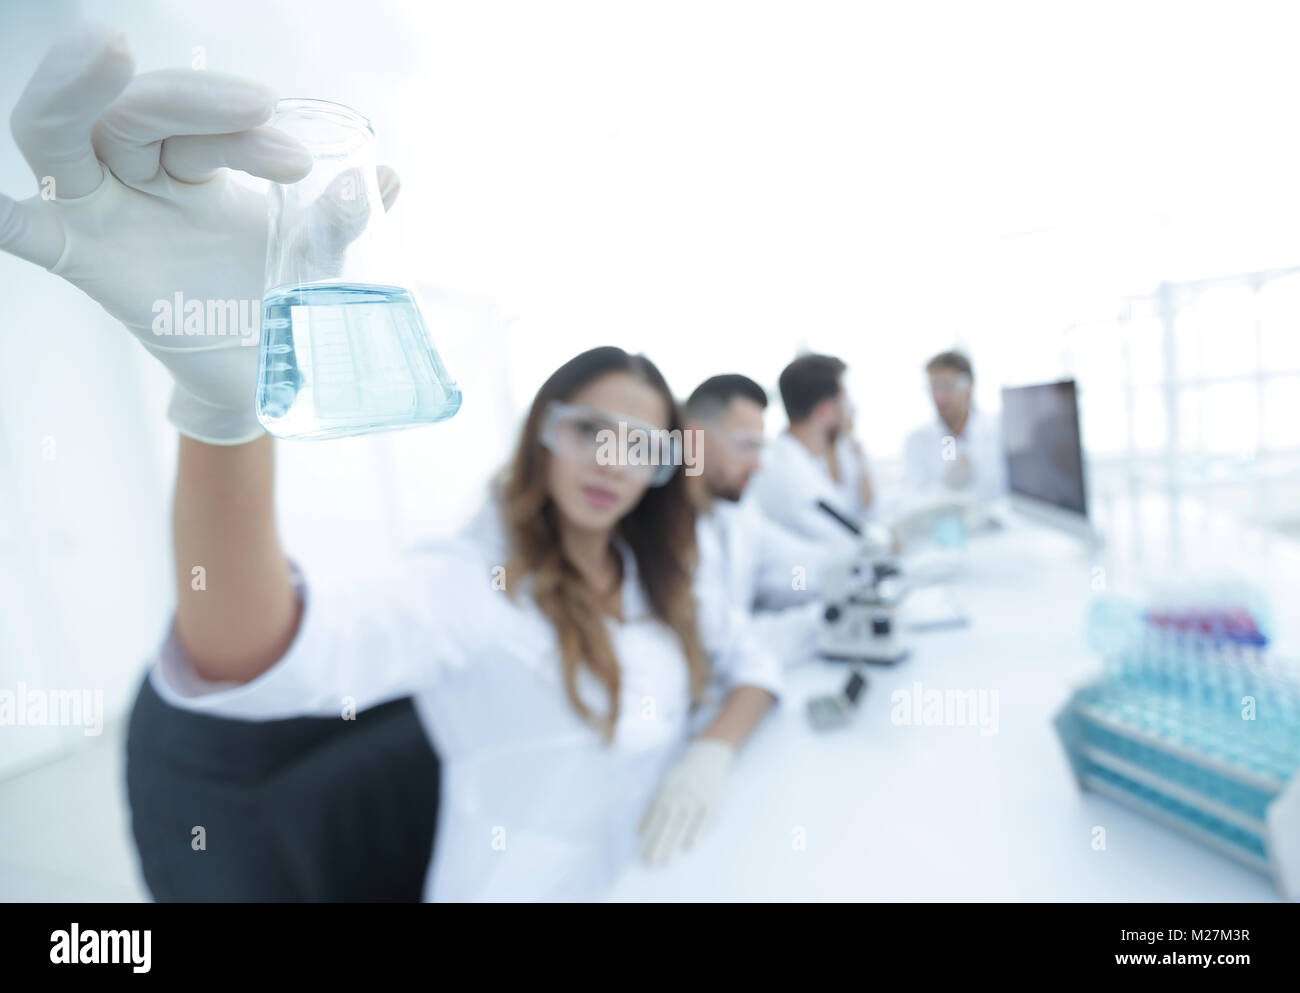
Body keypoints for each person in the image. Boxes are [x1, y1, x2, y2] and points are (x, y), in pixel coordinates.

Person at [0, 27, 780, 900]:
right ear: (543, 437)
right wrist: (226, 415)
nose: (611, 458)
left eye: (639, 443)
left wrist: (712, 749)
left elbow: (752, 659)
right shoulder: (477, 587)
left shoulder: (662, 569)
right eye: (588, 427)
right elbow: (256, 655)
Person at [683, 374, 832, 664]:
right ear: (694, 440)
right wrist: (831, 620)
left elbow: (793, 565)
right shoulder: (665, 526)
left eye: (759, 446)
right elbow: (719, 644)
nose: (758, 464)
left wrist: (858, 571)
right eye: (746, 445)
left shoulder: (737, 508)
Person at [748, 353, 875, 543]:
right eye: (846, 401)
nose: (853, 411)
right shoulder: (783, 473)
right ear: (825, 409)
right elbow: (844, 543)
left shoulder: (835, 454)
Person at [899, 350, 1006, 508]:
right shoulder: (918, 440)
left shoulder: (998, 430)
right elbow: (907, 501)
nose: (939, 396)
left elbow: (1010, 495)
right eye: (933, 387)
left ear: (969, 386)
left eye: (947, 386)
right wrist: (946, 487)